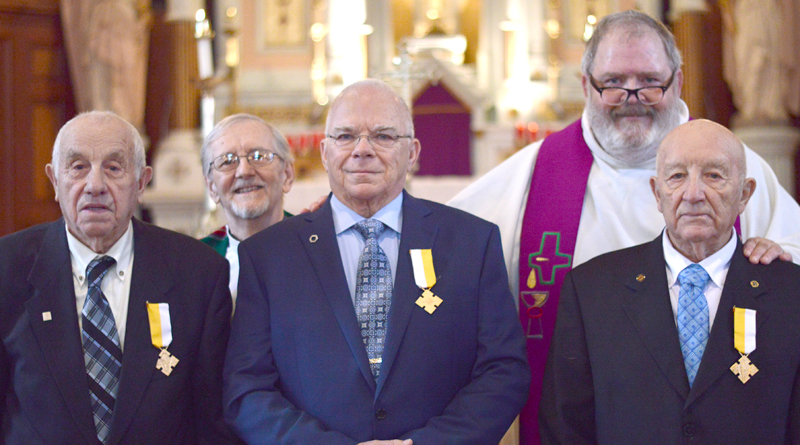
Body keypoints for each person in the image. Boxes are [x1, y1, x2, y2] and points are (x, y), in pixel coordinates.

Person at [447, 10, 800, 444]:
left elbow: (788, 274)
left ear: (678, 81)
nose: (632, 96)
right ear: (585, 86)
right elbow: (444, 254)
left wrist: (777, 248)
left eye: (650, 80)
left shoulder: (737, 167)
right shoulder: (533, 174)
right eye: (613, 82)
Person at [223, 79, 530, 444]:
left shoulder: (470, 243)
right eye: (345, 136)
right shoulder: (269, 256)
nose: (362, 150)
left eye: (383, 136)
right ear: (323, 152)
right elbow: (247, 388)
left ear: (412, 152)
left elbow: (503, 371)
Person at [539, 119, 800, 444]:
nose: (693, 194)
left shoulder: (791, 292)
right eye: (677, 176)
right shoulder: (590, 290)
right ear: (657, 194)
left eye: (714, 176)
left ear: (744, 194)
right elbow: (564, 427)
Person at [0, 111, 240, 444]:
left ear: (141, 182)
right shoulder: (7, 268)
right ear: (55, 181)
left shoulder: (198, 273)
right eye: (78, 167)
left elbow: (213, 420)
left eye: (113, 168)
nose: (95, 185)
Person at [201, 113, 295, 307]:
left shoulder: (320, 250)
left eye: (259, 156)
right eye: (227, 161)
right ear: (211, 187)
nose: (244, 171)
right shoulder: (194, 263)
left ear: (287, 175)